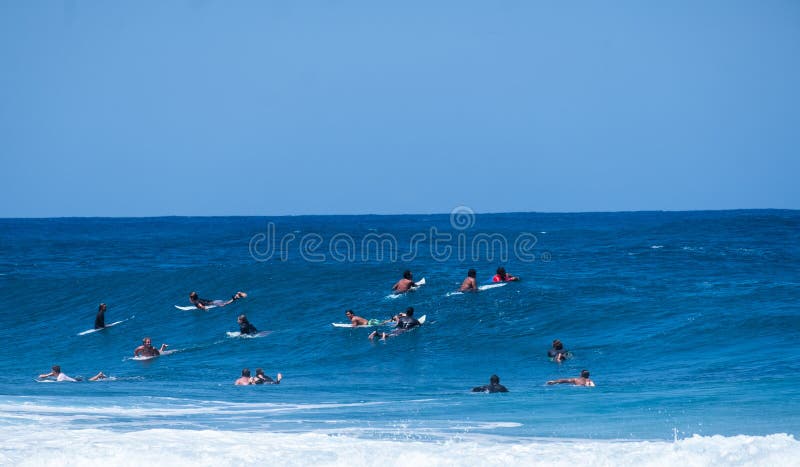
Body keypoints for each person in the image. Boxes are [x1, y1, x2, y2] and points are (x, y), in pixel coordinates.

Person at [38, 365, 106, 382]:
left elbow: (59, 382)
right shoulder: (56, 373)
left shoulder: (60, 376)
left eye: (52, 370)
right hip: (75, 379)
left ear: (55, 371)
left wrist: (48, 381)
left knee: (90, 380)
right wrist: (43, 376)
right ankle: (101, 376)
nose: (51, 372)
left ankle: (99, 375)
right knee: (89, 379)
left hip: (76, 381)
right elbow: (46, 375)